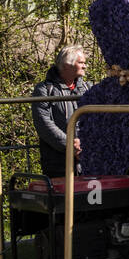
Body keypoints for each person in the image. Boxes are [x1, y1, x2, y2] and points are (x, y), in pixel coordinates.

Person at [32, 45, 92, 178]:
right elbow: (43, 124)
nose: (85, 66)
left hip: (87, 161)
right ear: (67, 65)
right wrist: (70, 144)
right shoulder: (44, 90)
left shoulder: (89, 88)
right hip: (57, 163)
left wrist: (87, 143)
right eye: (81, 62)